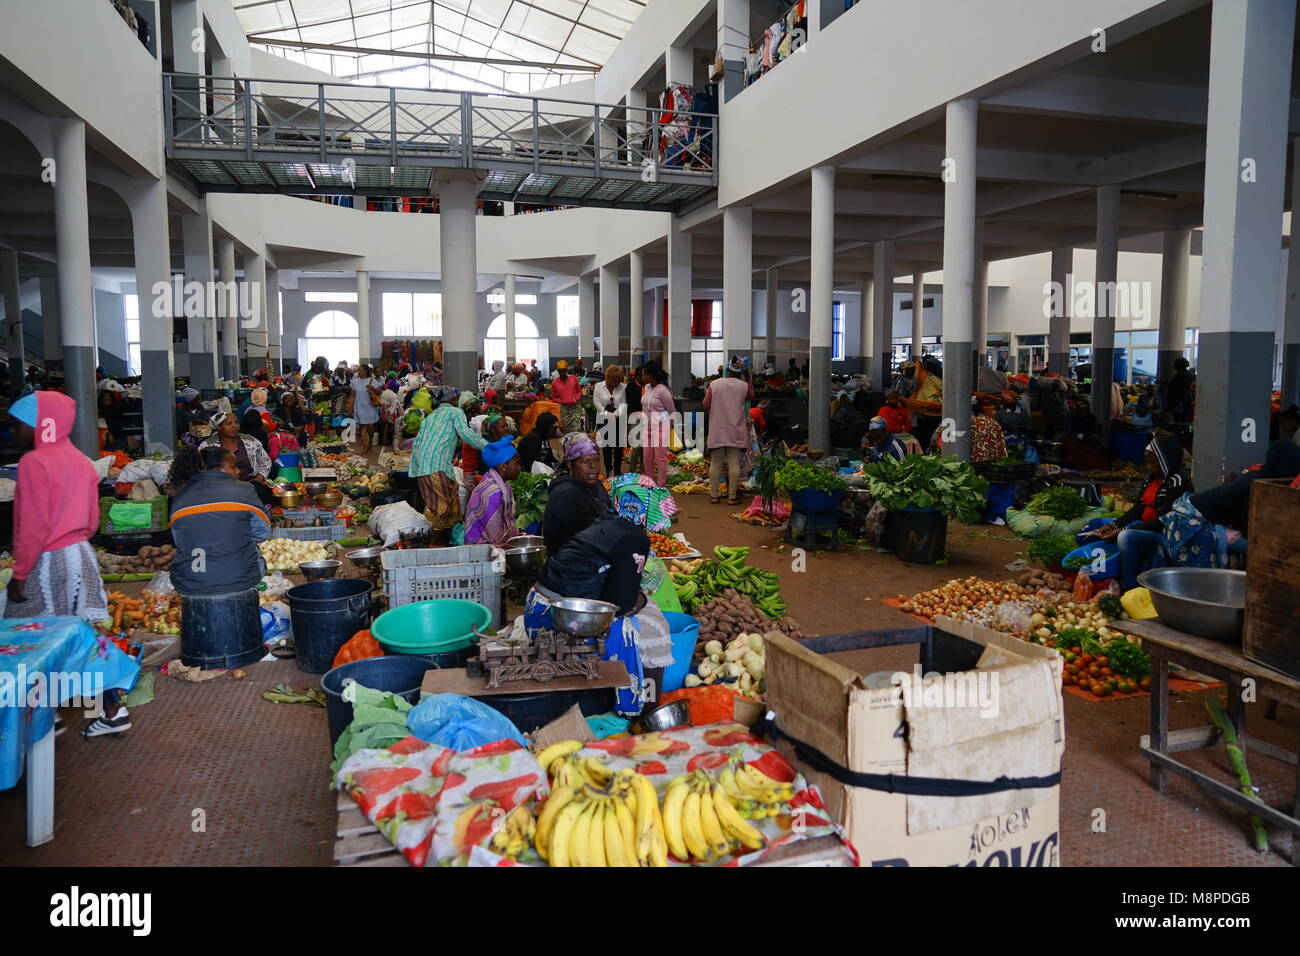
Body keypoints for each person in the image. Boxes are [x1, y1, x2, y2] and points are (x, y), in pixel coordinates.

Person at [5, 393, 127, 736]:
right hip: (80, 554)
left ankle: (43, 717)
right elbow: (91, 519)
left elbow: (32, 526)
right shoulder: (79, 460)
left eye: (17, 425)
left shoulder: (34, 462)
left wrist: (20, 574)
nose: (13, 432)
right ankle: (111, 708)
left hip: (48, 561)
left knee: (31, 638)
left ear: (40, 425)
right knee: (80, 633)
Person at [530, 474, 675, 716]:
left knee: (646, 613)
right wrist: (640, 600)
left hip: (538, 606)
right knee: (655, 627)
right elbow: (620, 603)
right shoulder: (634, 537)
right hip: (561, 617)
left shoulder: (605, 521)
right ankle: (644, 708)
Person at [1090, 434, 1192, 590]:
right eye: (1147, 461)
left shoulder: (1177, 482)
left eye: (1153, 462)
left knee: (1125, 536)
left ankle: (1129, 586)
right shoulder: (1150, 479)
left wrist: (1122, 530)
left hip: (1166, 534)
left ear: (1166, 460)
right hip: (1144, 526)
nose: (1148, 466)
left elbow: (1164, 522)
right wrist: (1113, 525)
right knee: (1097, 524)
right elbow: (1137, 509)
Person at [166, 446, 271, 594]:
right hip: (240, 578)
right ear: (216, 469)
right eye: (233, 467)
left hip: (190, 581)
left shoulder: (180, 497)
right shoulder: (244, 490)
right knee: (254, 552)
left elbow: (180, 541)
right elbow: (263, 533)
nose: (238, 471)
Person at [409, 389, 486, 542]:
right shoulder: (455, 412)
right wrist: (488, 446)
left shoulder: (432, 416)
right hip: (435, 465)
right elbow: (466, 435)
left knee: (442, 499)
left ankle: (446, 536)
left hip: (420, 465)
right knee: (443, 505)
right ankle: (437, 543)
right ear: (452, 400)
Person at [542, 432, 612, 554]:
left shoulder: (595, 484)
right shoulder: (566, 495)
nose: (593, 466)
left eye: (596, 460)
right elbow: (596, 535)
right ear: (570, 464)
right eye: (586, 461)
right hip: (570, 564)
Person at [701, 361, 754, 505]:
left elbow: (706, 404)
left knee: (716, 464)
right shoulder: (743, 386)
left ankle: (714, 495)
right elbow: (751, 396)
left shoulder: (715, 384)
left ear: (727, 369)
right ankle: (732, 497)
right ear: (741, 372)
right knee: (734, 464)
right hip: (735, 430)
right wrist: (748, 378)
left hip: (718, 429)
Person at [201, 410, 275, 505]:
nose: (234, 426)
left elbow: (265, 461)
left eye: (236, 422)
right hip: (221, 490)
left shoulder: (250, 441)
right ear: (219, 427)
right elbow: (203, 469)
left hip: (250, 486)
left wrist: (260, 478)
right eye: (229, 423)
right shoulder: (208, 446)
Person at [463, 436, 522, 546]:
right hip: (479, 548)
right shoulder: (492, 493)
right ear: (503, 466)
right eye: (516, 463)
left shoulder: (501, 483)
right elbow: (496, 537)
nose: (519, 467)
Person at [641, 362, 676, 487]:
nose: (642, 377)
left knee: (660, 458)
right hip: (647, 428)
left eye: (644, 374)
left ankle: (661, 486)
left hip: (661, 427)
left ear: (650, 375)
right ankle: (650, 483)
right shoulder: (647, 388)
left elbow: (672, 411)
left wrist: (669, 426)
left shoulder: (663, 391)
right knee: (647, 457)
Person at [593, 365, 627, 477]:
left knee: (618, 447)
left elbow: (623, 404)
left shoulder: (622, 387)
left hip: (618, 419)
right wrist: (607, 415)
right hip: (603, 418)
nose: (616, 383)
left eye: (618, 381)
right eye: (614, 380)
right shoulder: (599, 386)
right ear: (608, 377)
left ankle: (617, 469)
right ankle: (609, 469)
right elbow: (596, 402)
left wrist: (616, 415)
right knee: (606, 447)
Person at [349, 363, 380, 451]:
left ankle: (370, 441)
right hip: (359, 406)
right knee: (363, 426)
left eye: (360, 370)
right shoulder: (354, 382)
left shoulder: (372, 380)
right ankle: (365, 446)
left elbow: (379, 391)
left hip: (370, 407)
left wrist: (373, 388)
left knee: (370, 427)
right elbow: (352, 395)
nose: (358, 372)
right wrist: (350, 406)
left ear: (365, 371)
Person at [551, 360, 584, 434]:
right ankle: (567, 445)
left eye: (563, 371)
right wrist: (562, 401)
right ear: (558, 371)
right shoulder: (555, 382)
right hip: (564, 408)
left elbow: (579, 391)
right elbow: (553, 397)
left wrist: (576, 398)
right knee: (566, 430)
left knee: (576, 428)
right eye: (560, 371)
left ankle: (576, 444)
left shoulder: (573, 378)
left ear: (566, 370)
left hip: (575, 407)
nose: (562, 373)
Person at [625, 366, 645, 473]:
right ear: (638, 376)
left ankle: (642, 470)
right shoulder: (631, 386)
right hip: (635, 417)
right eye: (643, 375)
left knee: (645, 447)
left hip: (647, 419)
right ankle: (632, 471)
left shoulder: (647, 387)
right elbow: (631, 403)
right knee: (637, 446)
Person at [1166, 357, 1194, 424]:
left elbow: (1175, 388)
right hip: (1186, 400)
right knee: (1184, 419)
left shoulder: (1179, 376)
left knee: (1178, 420)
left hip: (1179, 401)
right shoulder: (1189, 375)